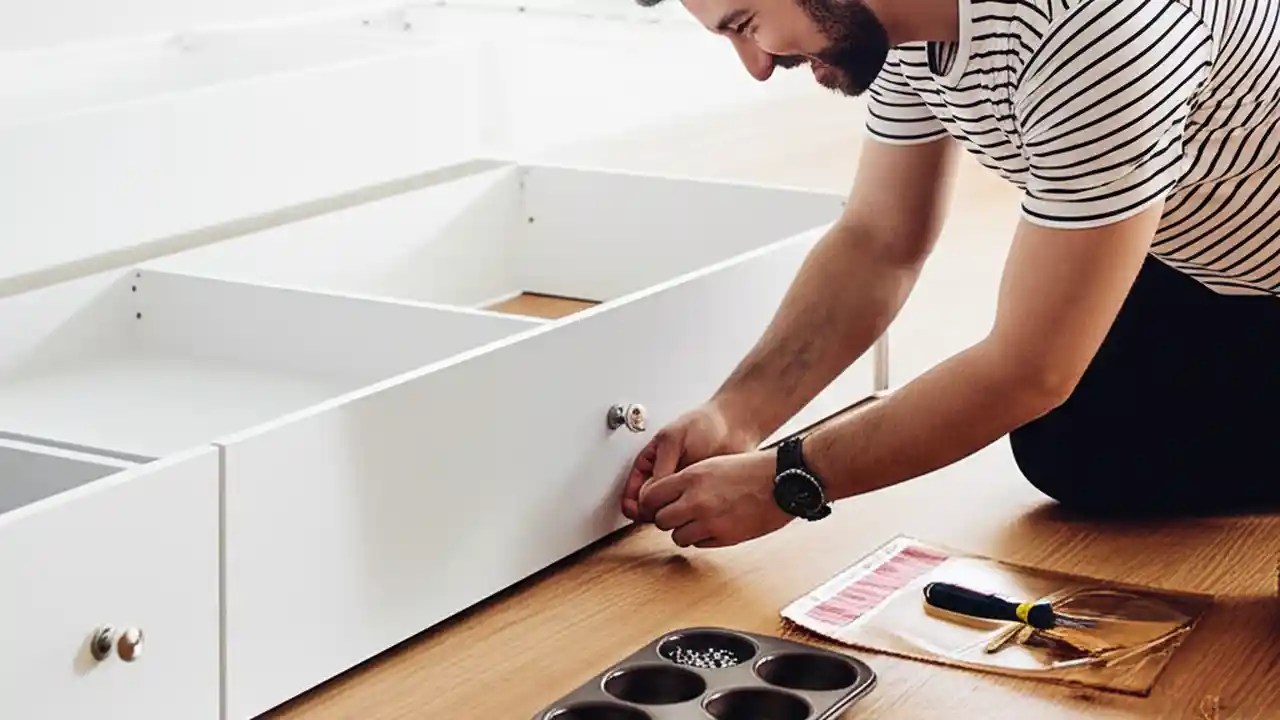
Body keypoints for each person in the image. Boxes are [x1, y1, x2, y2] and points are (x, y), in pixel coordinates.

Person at [620, 0, 1280, 548]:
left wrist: (789, 478)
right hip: (1212, 270)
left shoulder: (1099, 29)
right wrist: (737, 414)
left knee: (1047, 402)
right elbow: (879, 240)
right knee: (1072, 443)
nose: (758, 65)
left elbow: (1031, 370)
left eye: (746, 23)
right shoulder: (903, 23)